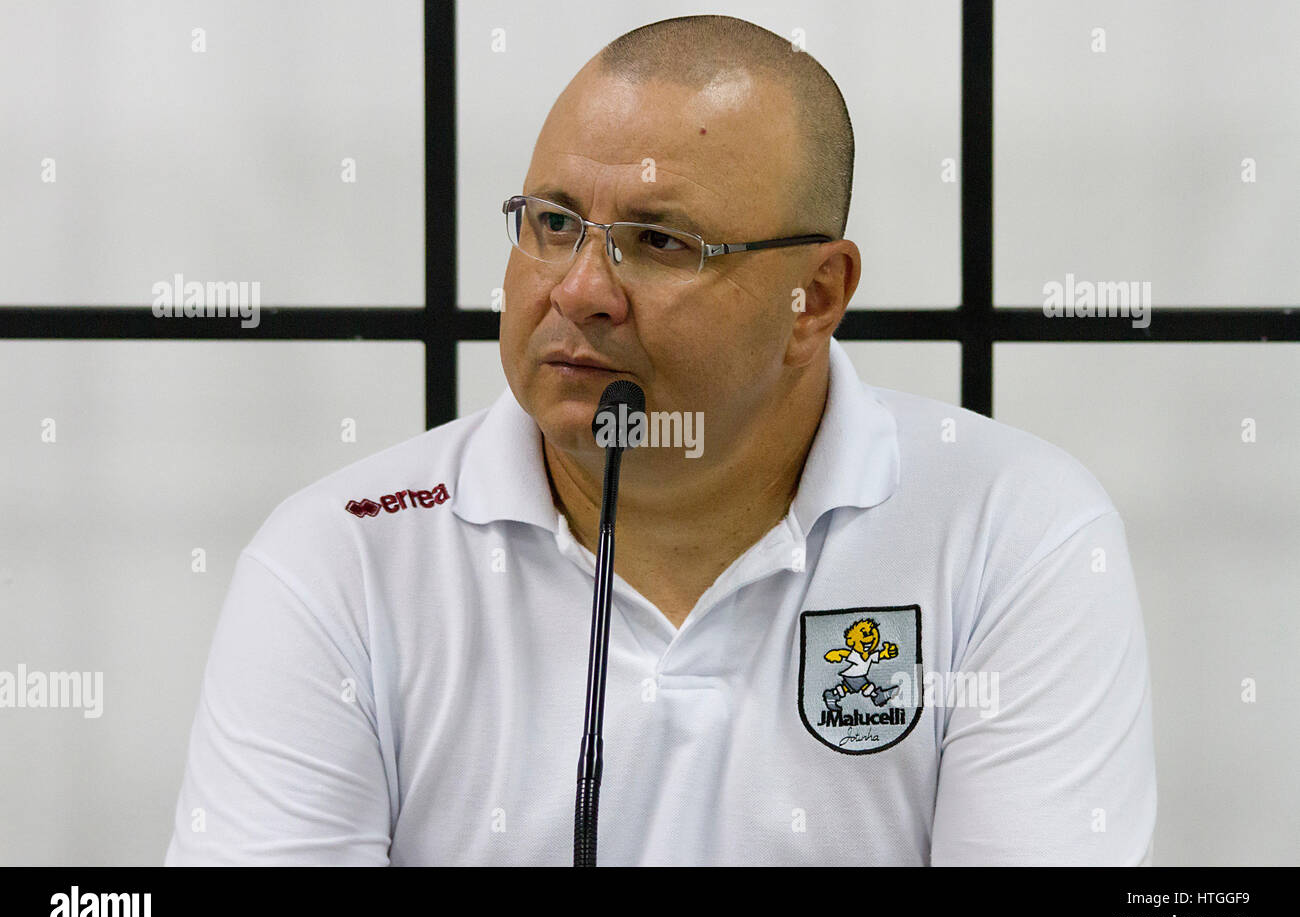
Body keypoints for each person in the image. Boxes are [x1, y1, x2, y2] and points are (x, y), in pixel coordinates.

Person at [165, 15, 1156, 865]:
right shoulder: (343, 552)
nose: (579, 290)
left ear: (815, 296)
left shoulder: (1012, 531)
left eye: (661, 242)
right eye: (553, 223)